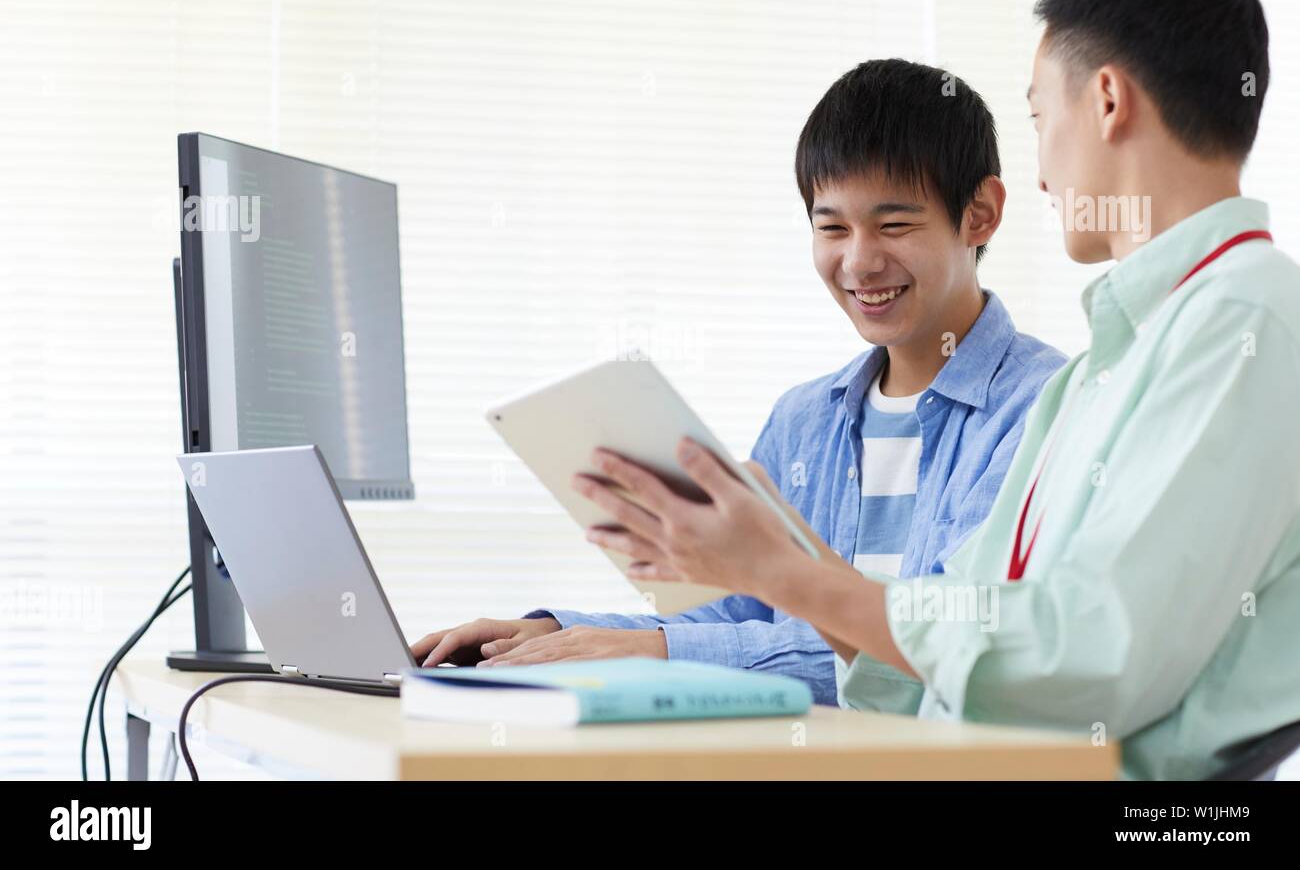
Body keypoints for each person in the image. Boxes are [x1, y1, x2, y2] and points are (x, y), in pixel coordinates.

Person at [572, 0, 1300, 779]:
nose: (1039, 177)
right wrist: (777, 564)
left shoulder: (1247, 320)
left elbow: (1090, 661)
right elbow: (958, 643)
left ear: (1106, 102)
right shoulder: (1102, 368)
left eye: (1039, 117)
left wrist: (788, 574)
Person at [413, 59, 1065, 706]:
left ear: (979, 214)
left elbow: (948, 649)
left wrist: (653, 651)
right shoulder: (805, 418)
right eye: (832, 227)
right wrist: (554, 635)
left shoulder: (1046, 407)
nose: (860, 261)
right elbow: (729, 622)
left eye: (894, 225)